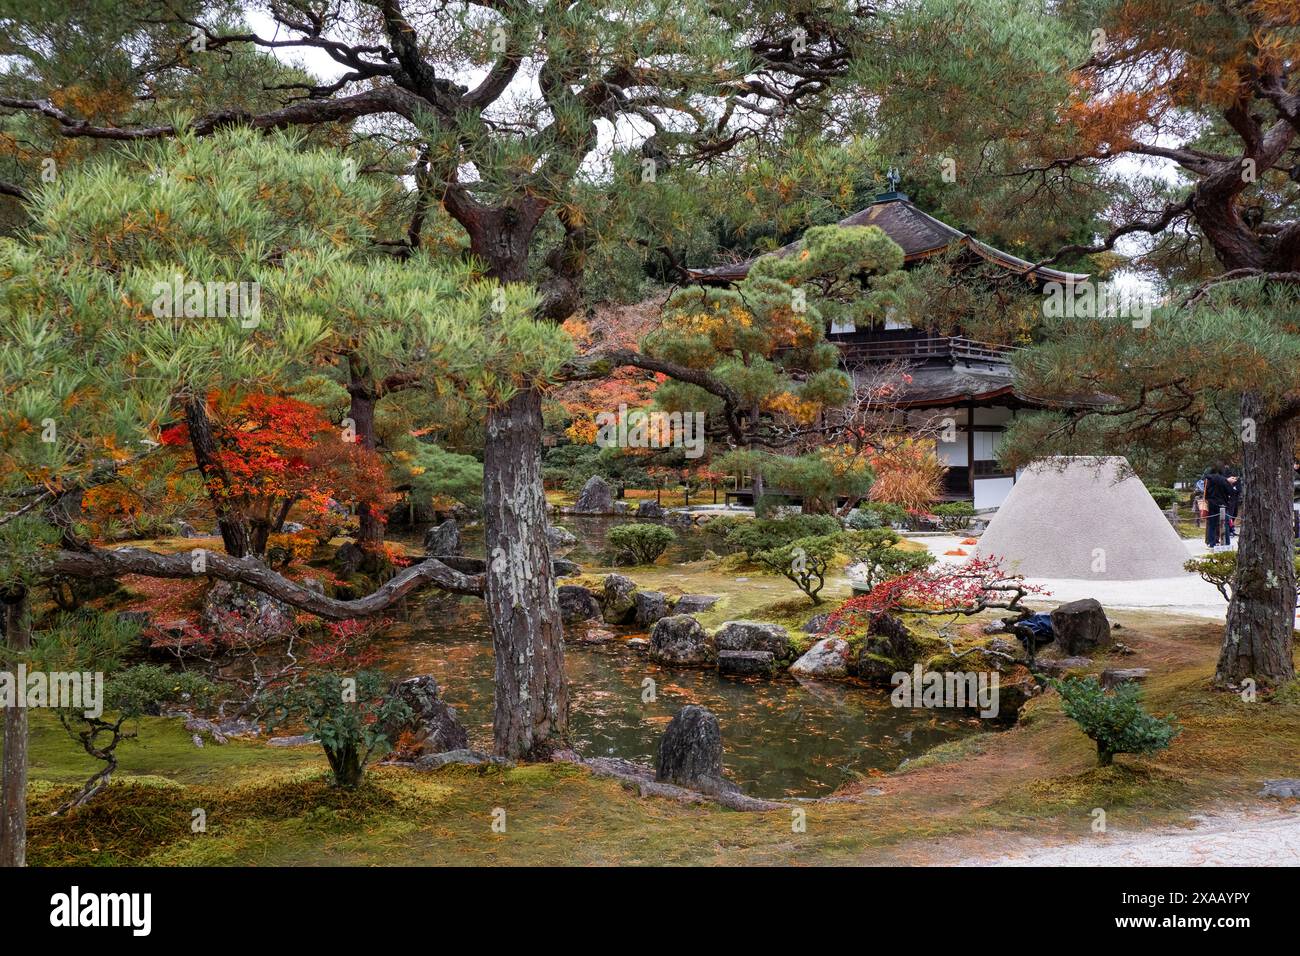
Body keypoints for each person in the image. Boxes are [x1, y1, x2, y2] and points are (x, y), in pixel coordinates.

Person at [1204, 465, 1234, 549]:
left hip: (1212, 504)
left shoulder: (1208, 480)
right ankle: (1226, 542)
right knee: (1226, 524)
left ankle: (1212, 543)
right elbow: (1230, 492)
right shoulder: (1224, 480)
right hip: (1222, 504)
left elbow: (1205, 494)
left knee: (1212, 524)